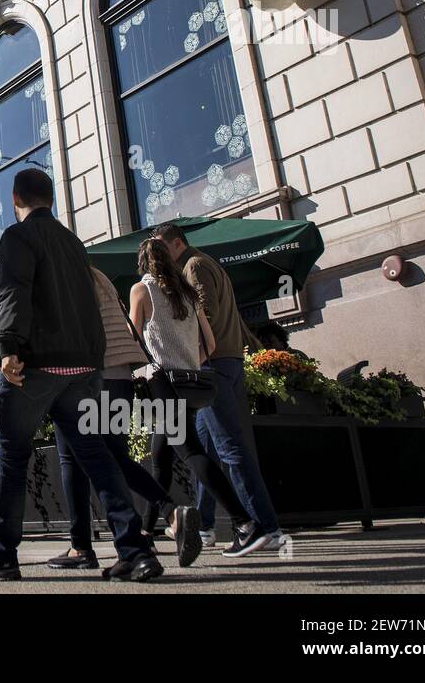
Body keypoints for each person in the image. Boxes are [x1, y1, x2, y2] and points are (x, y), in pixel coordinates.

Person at [0, 168, 161, 583]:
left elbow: (13, 289)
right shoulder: (73, 243)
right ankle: (136, 552)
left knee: (12, 456)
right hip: (82, 368)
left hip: (33, 366)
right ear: (51, 199)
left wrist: (9, 346)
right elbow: (88, 304)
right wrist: (93, 356)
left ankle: (2, 556)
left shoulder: (17, 237)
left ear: (16, 200)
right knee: (97, 457)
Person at [48, 266, 201, 569]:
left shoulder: (62, 275)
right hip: (121, 375)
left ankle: (82, 547)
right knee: (115, 456)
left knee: (72, 459)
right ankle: (171, 515)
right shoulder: (98, 276)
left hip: (87, 376)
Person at [154, 224, 284, 556]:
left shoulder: (193, 266)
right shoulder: (209, 263)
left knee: (230, 449)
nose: (157, 255)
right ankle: (206, 526)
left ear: (177, 243)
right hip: (226, 361)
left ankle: (264, 528)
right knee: (205, 450)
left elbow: (204, 312)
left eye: (161, 247)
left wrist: (190, 355)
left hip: (212, 366)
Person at [131, 238, 259, 556]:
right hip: (191, 383)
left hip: (163, 383)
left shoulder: (141, 290)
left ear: (143, 263)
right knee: (160, 457)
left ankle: (245, 523)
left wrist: (145, 369)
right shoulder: (187, 292)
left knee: (190, 452)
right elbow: (211, 344)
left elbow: (133, 341)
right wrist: (190, 361)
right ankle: (146, 532)